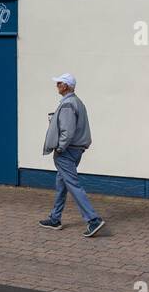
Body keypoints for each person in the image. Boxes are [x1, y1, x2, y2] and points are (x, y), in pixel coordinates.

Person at [39, 73, 104, 237]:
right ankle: (55, 218)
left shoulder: (68, 104)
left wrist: (60, 148)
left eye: (59, 83)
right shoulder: (77, 102)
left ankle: (93, 219)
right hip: (75, 150)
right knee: (62, 183)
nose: (57, 86)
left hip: (67, 151)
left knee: (73, 185)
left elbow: (67, 131)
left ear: (66, 86)